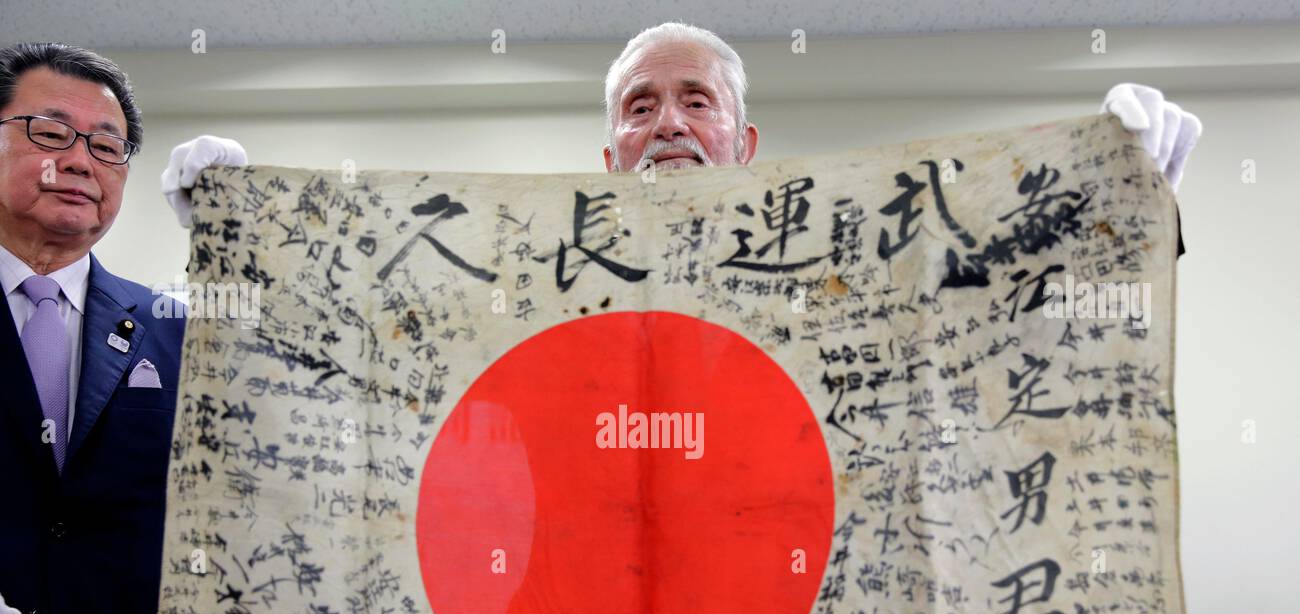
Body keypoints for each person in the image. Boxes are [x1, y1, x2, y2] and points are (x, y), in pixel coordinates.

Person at [160, 22, 1201, 226]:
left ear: (744, 144)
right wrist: (249, 240)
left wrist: (1117, 201)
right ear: (608, 154)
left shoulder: (845, 257)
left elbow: (980, 318)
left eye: (696, 100)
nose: (667, 123)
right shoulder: (521, 269)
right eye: (639, 106)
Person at [0, 42, 185, 614]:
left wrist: (244, 241)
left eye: (107, 146)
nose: (80, 161)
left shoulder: (173, 328)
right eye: (50, 132)